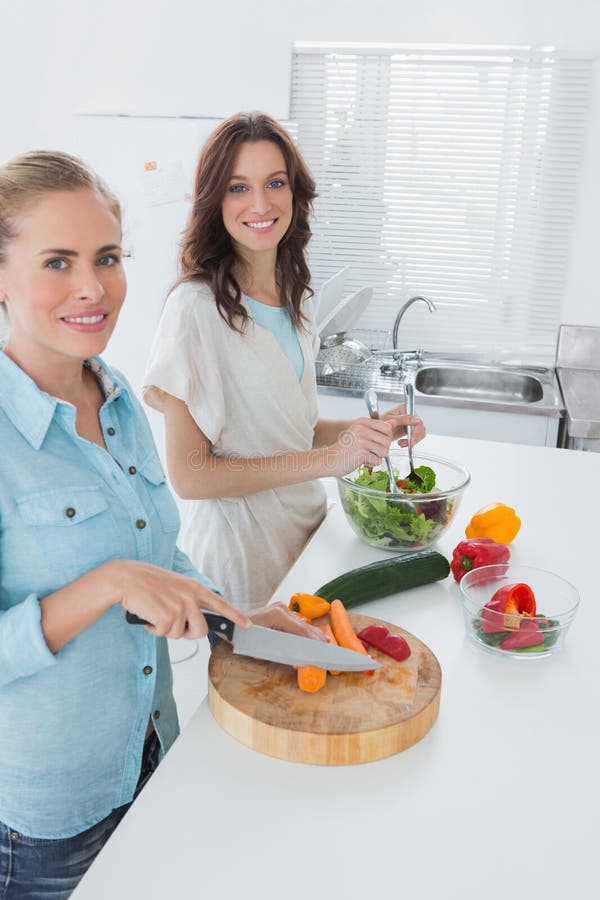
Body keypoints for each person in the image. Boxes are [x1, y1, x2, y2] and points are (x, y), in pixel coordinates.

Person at [0, 150, 322, 898]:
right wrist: (106, 585)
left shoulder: (115, 401)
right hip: (48, 821)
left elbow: (157, 553)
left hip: (152, 757)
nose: (93, 288)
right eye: (57, 262)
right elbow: (125, 576)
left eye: (107, 257)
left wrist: (236, 615)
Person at [143, 111, 426, 614]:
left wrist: (368, 432)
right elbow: (190, 475)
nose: (260, 203)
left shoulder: (296, 297)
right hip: (238, 562)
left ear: (295, 193)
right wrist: (326, 462)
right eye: (237, 187)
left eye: (275, 182)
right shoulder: (194, 309)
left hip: (307, 538)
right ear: (214, 201)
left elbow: (288, 427)